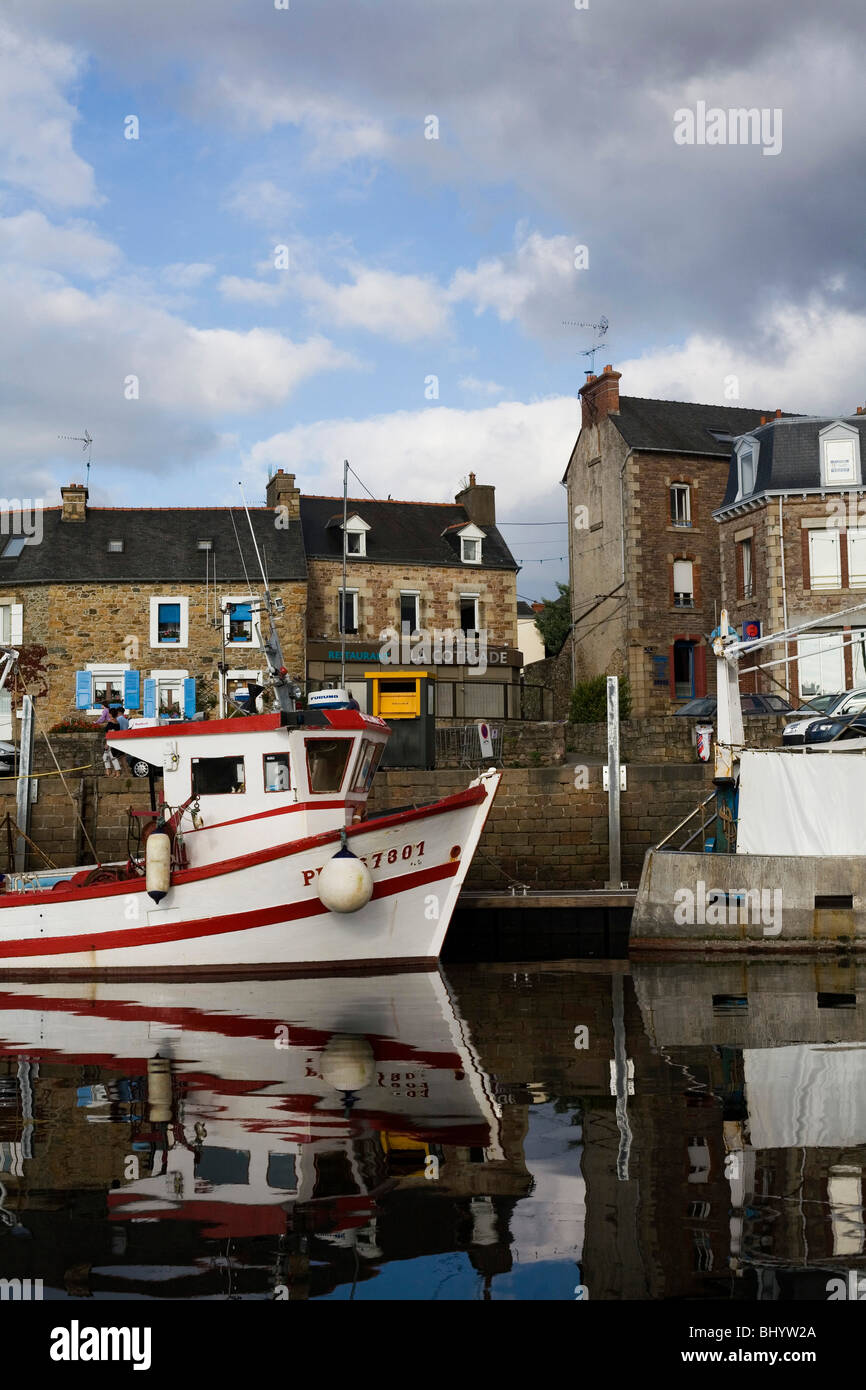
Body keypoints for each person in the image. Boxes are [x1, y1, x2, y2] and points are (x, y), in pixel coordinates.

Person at [102, 709, 122, 778]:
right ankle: (108, 771)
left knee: (113, 758)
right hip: (114, 742)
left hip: (111, 742)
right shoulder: (117, 722)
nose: (108, 714)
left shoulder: (111, 722)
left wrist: (107, 743)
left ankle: (117, 772)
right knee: (105, 757)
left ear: (111, 714)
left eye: (109, 713)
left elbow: (110, 733)